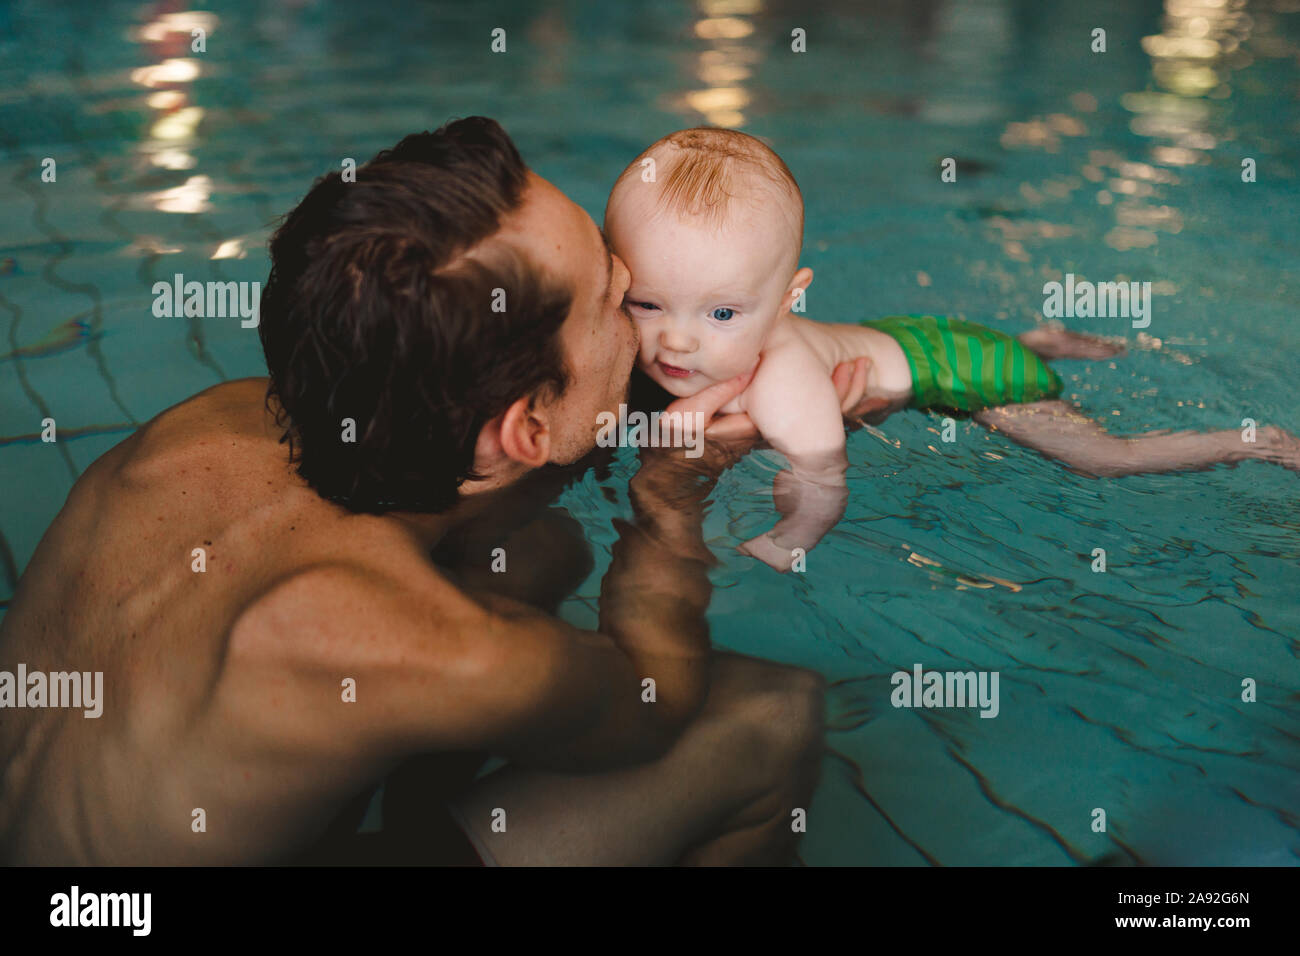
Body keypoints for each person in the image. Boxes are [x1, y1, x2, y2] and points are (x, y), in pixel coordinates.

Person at [0, 117, 873, 866]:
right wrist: (676, 494)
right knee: (772, 718)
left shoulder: (207, 425)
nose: (653, 333)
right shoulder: (438, 646)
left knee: (534, 554)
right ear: (522, 431)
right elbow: (656, 705)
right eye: (624, 299)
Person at [603, 127, 1300, 570]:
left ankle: (1253, 440)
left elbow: (822, 483)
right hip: (911, 335)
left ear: (791, 298)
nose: (679, 338)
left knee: (1100, 459)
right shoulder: (697, 344)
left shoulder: (786, 383)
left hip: (965, 370)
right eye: (647, 303)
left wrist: (791, 540)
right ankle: (1039, 340)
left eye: (722, 311)